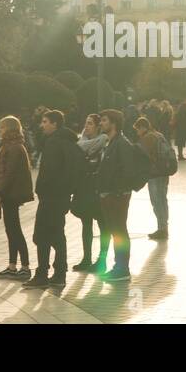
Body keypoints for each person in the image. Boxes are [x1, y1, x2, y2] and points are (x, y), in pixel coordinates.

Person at [23, 110, 75, 289]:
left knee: (42, 236)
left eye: (45, 122)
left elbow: (50, 172)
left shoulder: (54, 142)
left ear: (55, 124)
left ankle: (42, 274)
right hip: (61, 197)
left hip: (51, 197)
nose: (42, 125)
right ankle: (60, 273)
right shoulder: (66, 140)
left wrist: (41, 190)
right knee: (58, 235)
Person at [0, 116, 34, 281]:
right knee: (11, 230)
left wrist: (0, 194)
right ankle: (12, 266)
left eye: (1, 127)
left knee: (15, 230)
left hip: (11, 194)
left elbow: (9, 174)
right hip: (9, 193)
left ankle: (24, 267)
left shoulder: (14, 147)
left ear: (9, 129)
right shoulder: (9, 146)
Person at [95, 109, 134, 282]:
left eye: (104, 120)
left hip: (117, 195)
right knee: (116, 230)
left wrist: (117, 191)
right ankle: (119, 267)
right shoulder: (111, 142)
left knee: (119, 231)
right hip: (110, 194)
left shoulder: (121, 143)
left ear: (114, 123)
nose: (101, 123)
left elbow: (127, 170)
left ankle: (122, 268)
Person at [73, 114, 109, 273]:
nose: (86, 126)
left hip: (98, 190)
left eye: (90, 124)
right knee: (86, 224)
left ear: (97, 127)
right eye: (86, 123)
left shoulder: (104, 143)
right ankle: (86, 258)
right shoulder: (80, 144)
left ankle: (102, 260)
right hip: (83, 189)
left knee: (103, 226)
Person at [135, 116, 170, 240]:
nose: (137, 133)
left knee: (157, 202)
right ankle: (163, 227)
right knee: (162, 200)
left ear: (143, 127)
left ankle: (162, 229)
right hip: (164, 172)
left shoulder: (148, 137)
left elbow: (140, 155)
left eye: (137, 130)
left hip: (155, 174)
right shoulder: (158, 134)